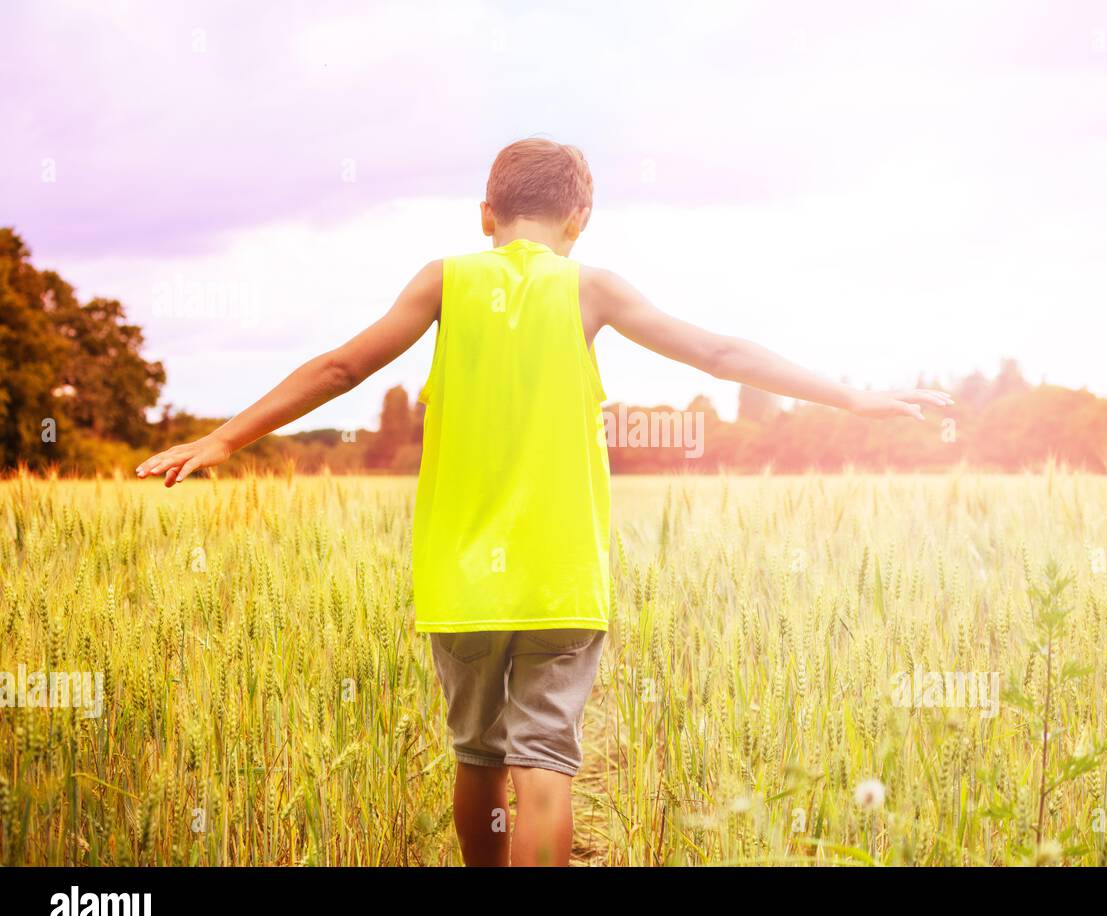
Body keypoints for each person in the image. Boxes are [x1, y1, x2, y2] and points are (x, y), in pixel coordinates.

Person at [135, 137, 952, 866]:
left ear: (486, 214)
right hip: (561, 576)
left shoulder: (444, 280)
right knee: (546, 764)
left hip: (463, 580)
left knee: (479, 759)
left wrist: (221, 440)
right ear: (580, 218)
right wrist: (852, 397)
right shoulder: (591, 288)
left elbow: (342, 368)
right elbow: (719, 351)